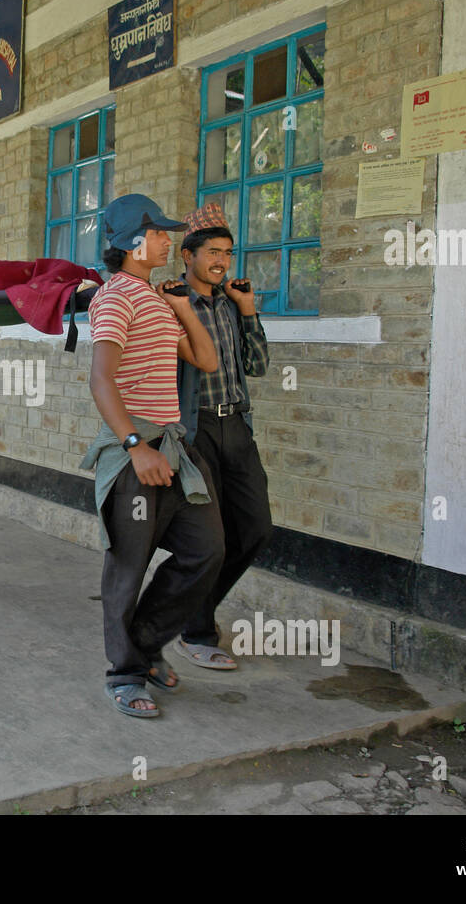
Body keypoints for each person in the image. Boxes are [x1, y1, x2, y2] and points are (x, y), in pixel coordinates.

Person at [81, 193, 224, 719]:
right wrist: (134, 447)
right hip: (136, 451)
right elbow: (101, 380)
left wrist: (183, 306)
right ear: (136, 243)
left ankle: (141, 647)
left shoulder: (158, 300)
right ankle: (124, 672)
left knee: (207, 551)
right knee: (128, 566)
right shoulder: (116, 298)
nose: (170, 240)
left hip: (174, 448)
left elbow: (205, 361)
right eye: (161, 233)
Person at [174, 204, 273, 670]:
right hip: (196, 431)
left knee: (254, 528)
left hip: (237, 425)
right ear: (187, 254)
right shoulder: (169, 303)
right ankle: (196, 630)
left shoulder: (232, 304)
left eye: (227, 253)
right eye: (212, 252)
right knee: (208, 538)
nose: (221, 262)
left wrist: (248, 309)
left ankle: (195, 612)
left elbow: (258, 366)